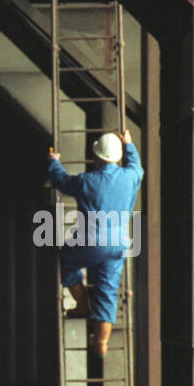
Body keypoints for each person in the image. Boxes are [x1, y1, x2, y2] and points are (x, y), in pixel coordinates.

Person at [47, 129, 144, 356]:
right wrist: (129, 144)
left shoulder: (86, 181)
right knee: (108, 289)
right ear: (118, 158)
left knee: (66, 260)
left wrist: (53, 162)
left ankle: (82, 305)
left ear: (95, 157)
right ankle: (101, 341)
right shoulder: (131, 177)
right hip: (118, 244)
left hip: (90, 241)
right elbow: (137, 167)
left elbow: (61, 181)